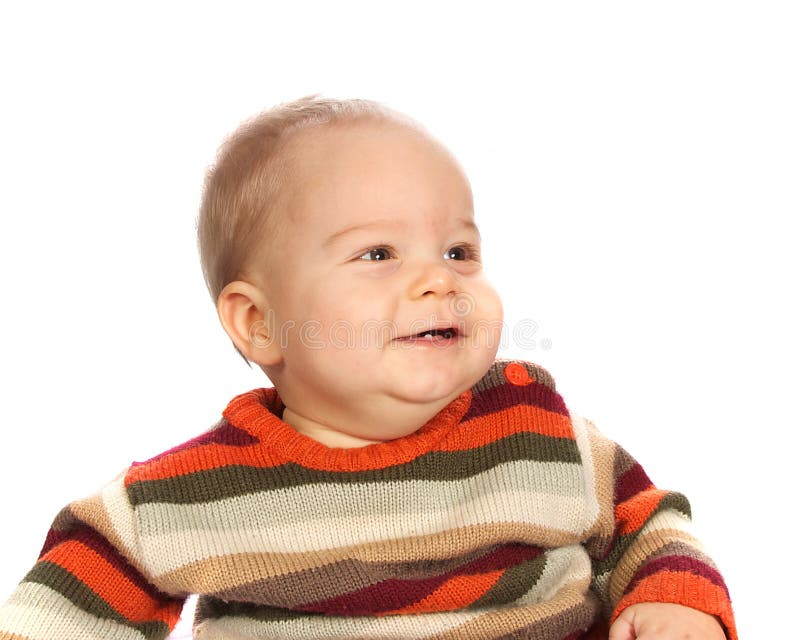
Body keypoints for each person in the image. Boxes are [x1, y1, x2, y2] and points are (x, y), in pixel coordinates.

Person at [0, 96, 736, 639]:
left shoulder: (532, 431)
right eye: (378, 255)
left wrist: (673, 595)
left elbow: (646, 518)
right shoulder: (191, 497)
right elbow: (60, 607)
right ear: (259, 323)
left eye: (459, 252)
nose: (439, 280)